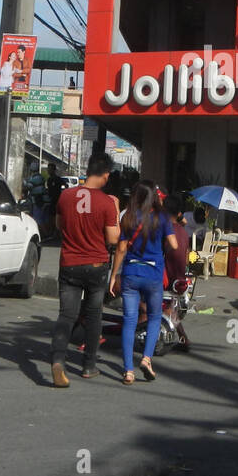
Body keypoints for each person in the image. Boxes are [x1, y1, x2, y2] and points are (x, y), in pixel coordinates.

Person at [51, 153, 120, 387]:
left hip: (69, 263)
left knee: (66, 315)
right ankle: (89, 365)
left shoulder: (65, 196)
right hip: (96, 265)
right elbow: (113, 238)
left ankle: (58, 359)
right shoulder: (107, 202)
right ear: (106, 175)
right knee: (93, 316)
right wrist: (117, 210)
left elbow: (59, 226)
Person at [111, 182, 178, 385]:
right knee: (154, 316)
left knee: (129, 320)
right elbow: (174, 245)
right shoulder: (163, 217)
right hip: (153, 274)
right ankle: (147, 359)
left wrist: (114, 275)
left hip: (131, 273)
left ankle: (128, 371)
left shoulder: (129, 217)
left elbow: (121, 248)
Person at [163, 194, 192, 285]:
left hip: (166, 281)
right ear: (179, 213)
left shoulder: (163, 229)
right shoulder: (184, 232)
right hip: (180, 280)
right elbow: (186, 258)